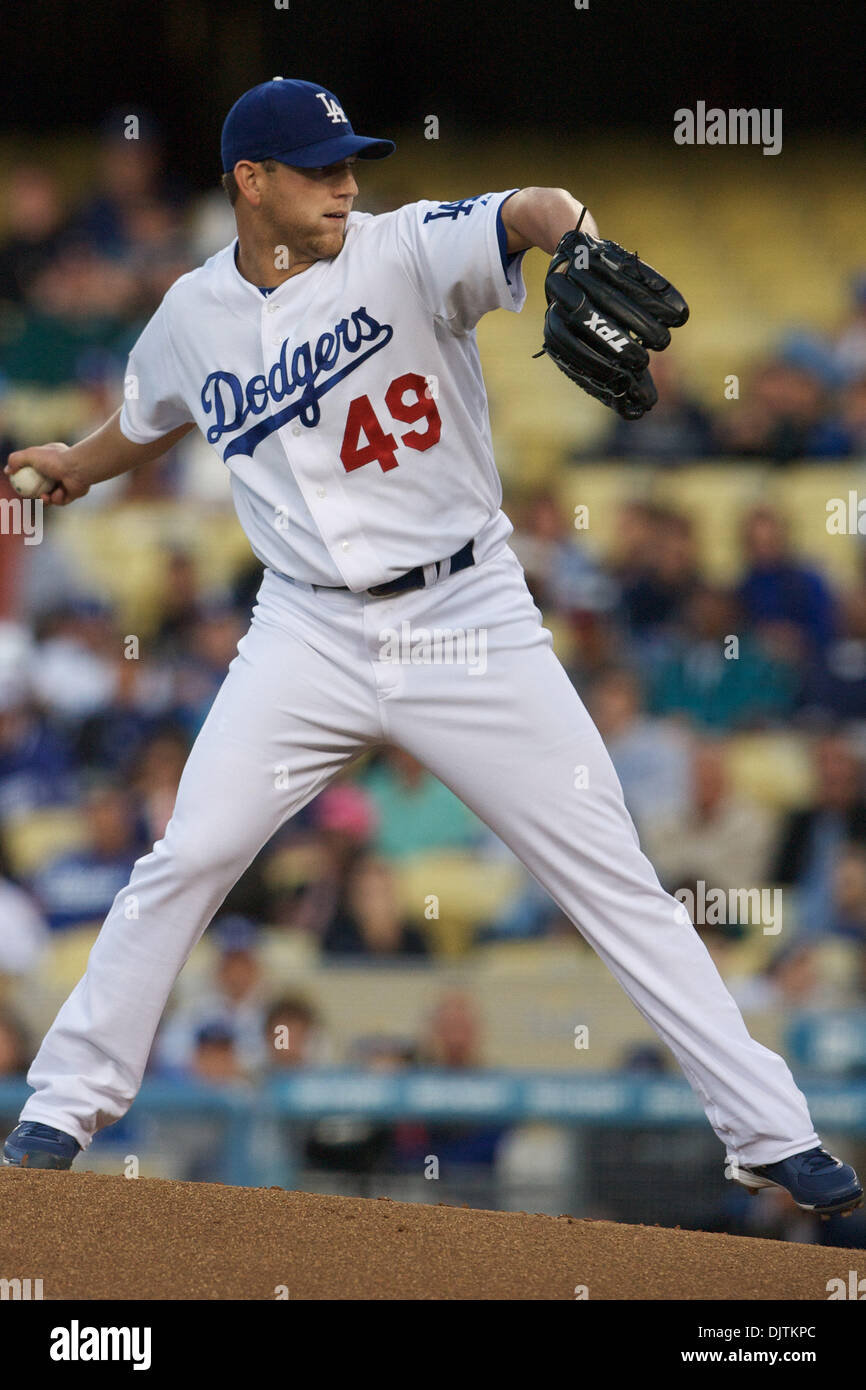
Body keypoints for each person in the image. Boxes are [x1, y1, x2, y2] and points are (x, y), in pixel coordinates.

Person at [3, 78, 860, 1217]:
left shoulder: (402, 248)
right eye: (318, 167)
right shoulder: (189, 315)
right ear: (250, 182)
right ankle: (62, 1107)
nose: (343, 184)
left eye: (349, 162)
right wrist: (75, 462)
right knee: (187, 855)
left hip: (467, 615)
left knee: (607, 872)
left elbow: (533, 207)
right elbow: (154, 414)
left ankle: (769, 1131)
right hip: (306, 628)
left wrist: (577, 242)